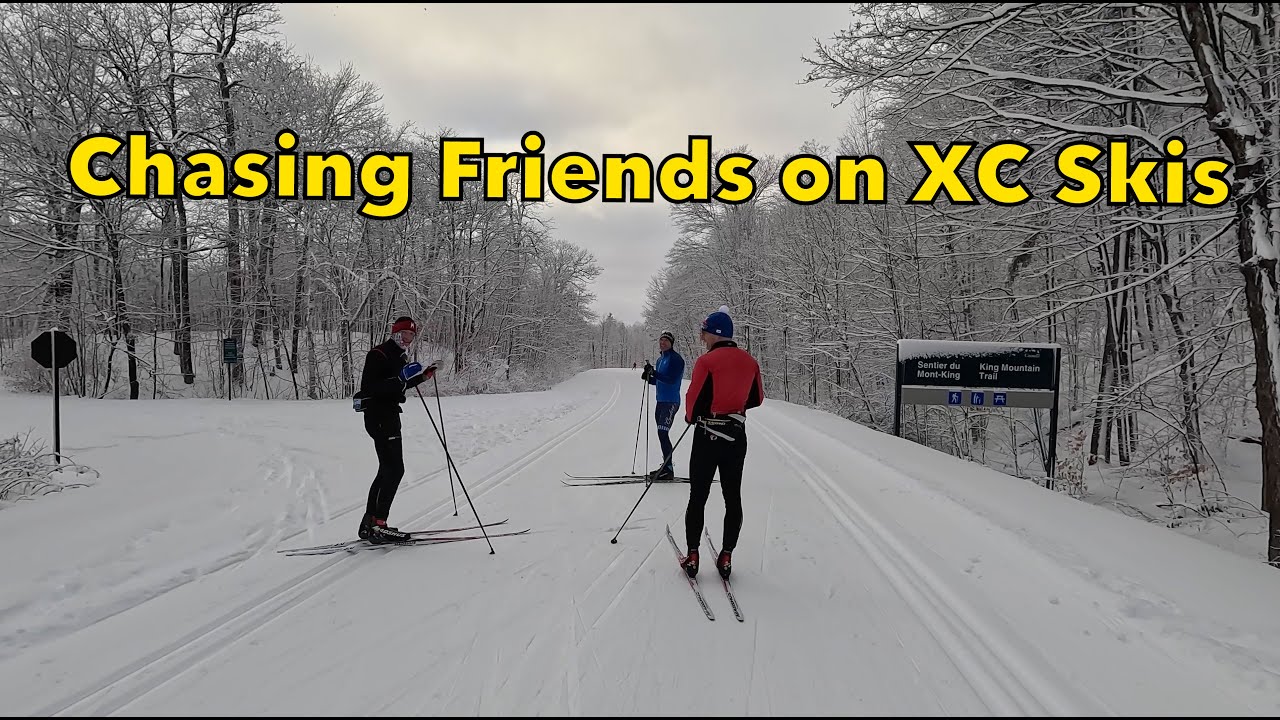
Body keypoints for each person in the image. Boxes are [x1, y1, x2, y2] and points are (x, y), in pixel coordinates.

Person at [679, 306, 763, 580]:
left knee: (698, 496)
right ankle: (726, 556)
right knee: (732, 496)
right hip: (736, 438)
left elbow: (693, 399)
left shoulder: (707, 362)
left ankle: (693, 555)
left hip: (706, 436)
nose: (702, 338)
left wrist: (692, 416)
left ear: (715, 334)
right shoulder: (750, 361)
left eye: (704, 333)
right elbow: (757, 398)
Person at [354, 316, 435, 543]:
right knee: (395, 469)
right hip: (379, 415)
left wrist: (423, 376)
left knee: (386, 469)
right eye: (405, 334)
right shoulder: (378, 354)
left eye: (411, 335)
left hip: (388, 415)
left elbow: (400, 384)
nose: (408, 339)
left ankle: (369, 522)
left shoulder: (399, 356)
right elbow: (371, 387)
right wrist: (399, 377)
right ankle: (380, 525)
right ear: (396, 333)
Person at [641, 331, 685, 481]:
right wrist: (649, 377)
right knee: (661, 434)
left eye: (666, 340)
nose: (663, 342)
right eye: (661, 340)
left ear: (671, 343)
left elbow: (671, 379)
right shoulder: (661, 360)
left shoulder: (676, 359)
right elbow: (659, 381)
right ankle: (666, 467)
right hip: (660, 402)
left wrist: (654, 373)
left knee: (662, 433)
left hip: (671, 402)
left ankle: (668, 469)